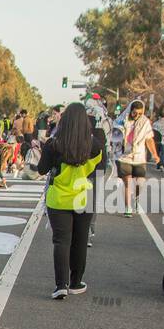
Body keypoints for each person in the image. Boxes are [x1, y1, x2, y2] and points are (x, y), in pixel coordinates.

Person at [37, 102, 106, 300]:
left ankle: (61, 285)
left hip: (59, 199)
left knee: (61, 241)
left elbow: (42, 170)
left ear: (64, 121)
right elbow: (101, 169)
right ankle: (76, 282)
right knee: (80, 240)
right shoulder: (95, 146)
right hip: (85, 197)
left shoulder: (53, 144)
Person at [118, 99, 159, 216]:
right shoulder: (122, 120)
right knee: (128, 182)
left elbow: (149, 139)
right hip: (125, 157)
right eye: (135, 113)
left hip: (139, 157)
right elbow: (115, 135)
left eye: (140, 113)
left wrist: (155, 154)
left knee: (139, 183)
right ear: (130, 111)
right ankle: (128, 208)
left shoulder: (145, 122)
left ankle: (136, 199)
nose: (137, 116)